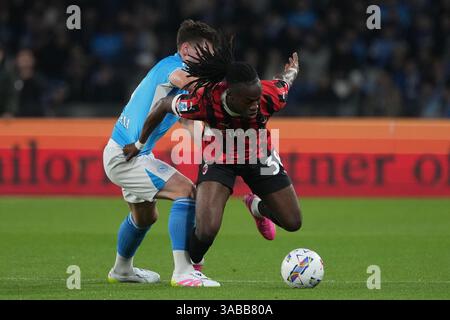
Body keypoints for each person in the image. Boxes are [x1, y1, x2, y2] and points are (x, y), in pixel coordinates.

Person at [122, 34, 302, 274]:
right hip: (219, 160)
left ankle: (257, 207)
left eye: (257, 98)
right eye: (249, 100)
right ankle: (192, 266)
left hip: (260, 158)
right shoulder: (206, 101)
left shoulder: (269, 95)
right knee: (206, 232)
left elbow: (284, 83)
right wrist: (140, 142)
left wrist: (292, 70)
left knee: (293, 222)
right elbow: (164, 105)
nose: (255, 105)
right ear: (231, 94)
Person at [103, 20, 220, 287]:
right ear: (186, 48)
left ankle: (121, 270)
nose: (210, 57)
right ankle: (183, 272)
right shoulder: (174, 67)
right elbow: (186, 81)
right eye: (206, 50)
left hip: (128, 153)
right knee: (186, 191)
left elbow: (188, 120)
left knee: (145, 216)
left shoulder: (174, 74)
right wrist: (222, 88)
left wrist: (210, 142)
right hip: (127, 154)